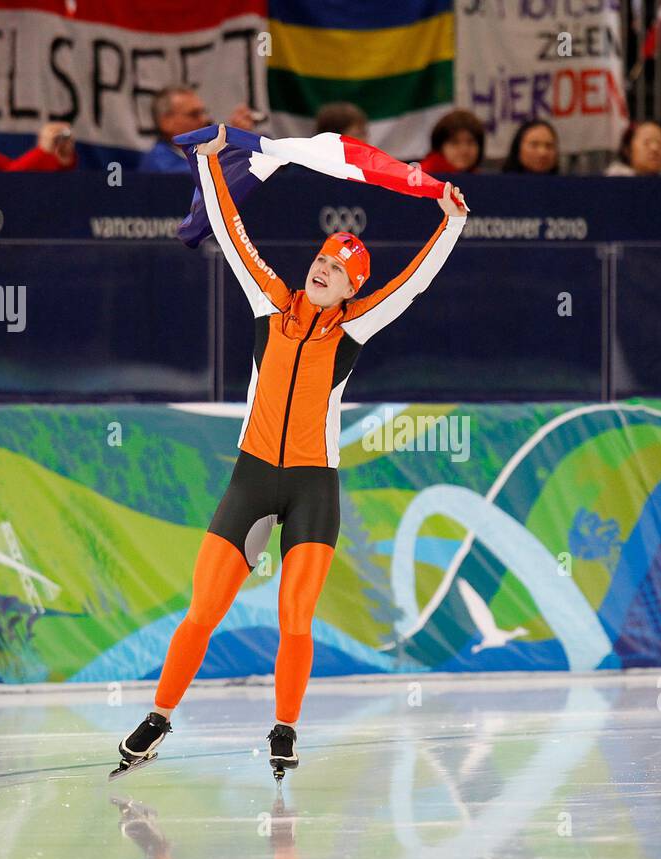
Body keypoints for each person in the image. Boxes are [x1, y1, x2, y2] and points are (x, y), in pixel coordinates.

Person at [115, 123, 469, 779]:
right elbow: (229, 231)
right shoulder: (271, 301)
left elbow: (413, 284)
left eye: (336, 269)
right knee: (204, 610)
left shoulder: (355, 327)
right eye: (321, 259)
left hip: (312, 490)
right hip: (252, 479)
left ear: (350, 288)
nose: (321, 268)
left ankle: (284, 729)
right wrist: (211, 161)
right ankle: (160, 715)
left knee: (295, 618)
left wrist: (448, 223)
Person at [139, 86, 259, 173]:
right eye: (194, 114)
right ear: (166, 123)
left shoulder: (199, 153)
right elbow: (196, 179)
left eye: (203, 113)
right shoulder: (158, 163)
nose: (205, 119)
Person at [419, 109, 484, 174]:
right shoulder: (422, 176)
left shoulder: (480, 178)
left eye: (470, 142)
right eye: (455, 143)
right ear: (440, 147)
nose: (464, 150)